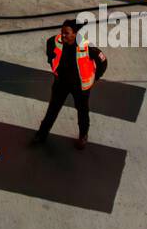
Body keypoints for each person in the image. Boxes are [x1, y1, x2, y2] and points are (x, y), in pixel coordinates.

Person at [30, 18, 107, 150]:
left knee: (82, 112)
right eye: (62, 32)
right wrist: (51, 61)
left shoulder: (87, 47)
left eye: (66, 33)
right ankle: (41, 134)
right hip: (61, 83)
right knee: (52, 110)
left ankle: (83, 135)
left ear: (75, 34)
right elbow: (49, 46)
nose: (63, 35)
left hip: (80, 86)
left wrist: (96, 77)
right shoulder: (56, 41)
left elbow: (103, 62)